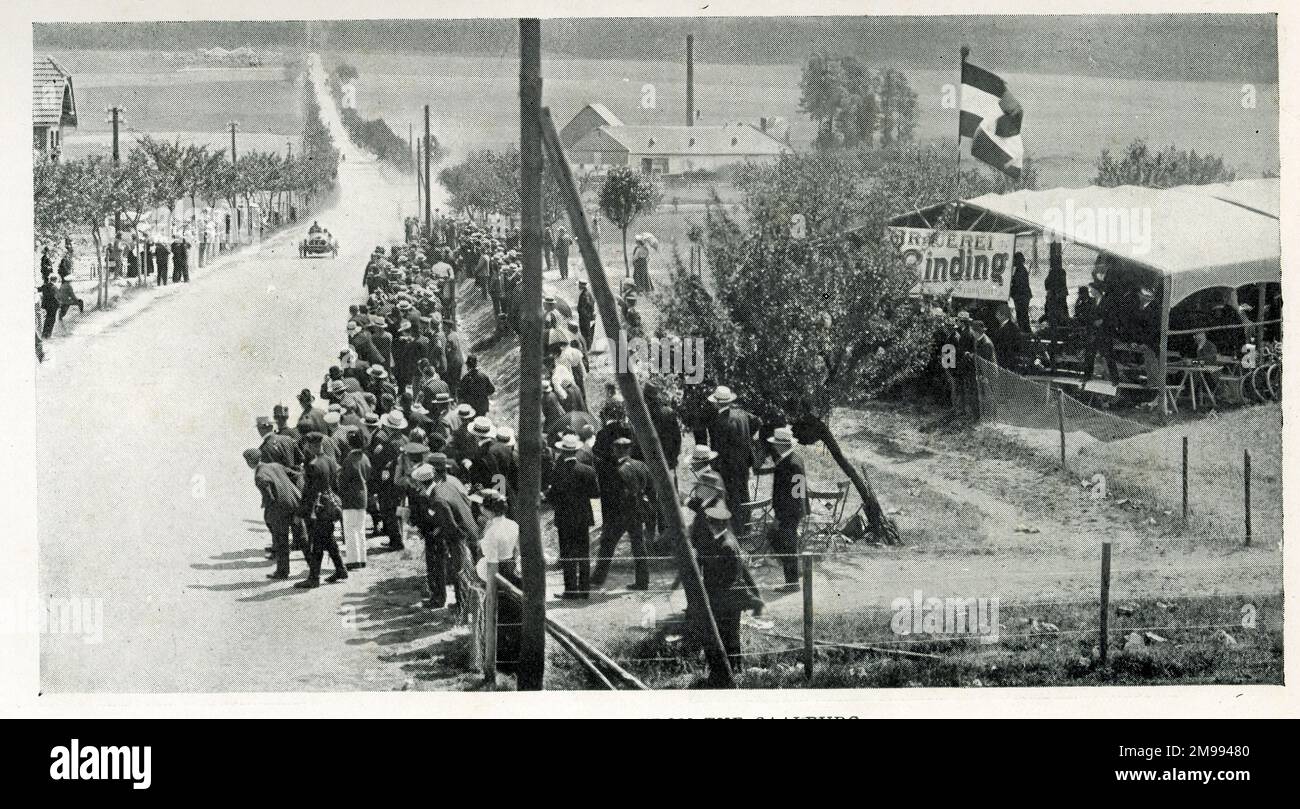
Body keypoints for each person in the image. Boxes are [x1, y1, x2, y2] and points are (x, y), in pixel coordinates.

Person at [591, 437, 652, 591]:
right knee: (639, 547)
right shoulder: (641, 465)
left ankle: (598, 578)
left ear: (615, 450)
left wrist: (611, 517)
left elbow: (617, 496)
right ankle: (643, 581)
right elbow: (651, 488)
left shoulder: (619, 470)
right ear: (630, 449)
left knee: (607, 544)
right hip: (637, 512)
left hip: (621, 514)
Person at [547, 433, 600, 599]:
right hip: (583, 516)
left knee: (568, 553)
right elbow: (596, 493)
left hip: (564, 518)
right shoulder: (588, 471)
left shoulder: (557, 471)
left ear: (563, 451)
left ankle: (570, 590)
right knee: (584, 553)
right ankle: (584, 589)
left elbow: (552, 497)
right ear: (576, 451)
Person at [476, 489, 521, 674]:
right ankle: (515, 656)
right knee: (513, 613)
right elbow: (517, 549)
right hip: (511, 567)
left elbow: (490, 558)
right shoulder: (513, 524)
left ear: (487, 510)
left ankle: (501, 661)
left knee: (496, 613)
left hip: (496, 570)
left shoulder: (492, 531)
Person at [704, 385, 760, 533]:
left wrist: (714, 467)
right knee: (744, 494)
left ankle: (736, 531)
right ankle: (746, 528)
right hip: (744, 462)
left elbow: (718, 449)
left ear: (716, 402)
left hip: (728, 467)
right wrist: (747, 439)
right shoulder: (742, 414)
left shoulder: (719, 422)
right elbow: (757, 421)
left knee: (732, 498)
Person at [242, 448, 303, 580]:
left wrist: (268, 515)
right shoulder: (275, 465)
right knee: (303, 539)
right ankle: (314, 569)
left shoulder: (259, 477)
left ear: (248, 462)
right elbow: (296, 474)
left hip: (280, 510)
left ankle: (283, 572)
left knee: (282, 541)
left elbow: (269, 498)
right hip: (295, 504)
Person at [295, 432, 347, 588]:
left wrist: (300, 513)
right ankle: (340, 569)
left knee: (317, 544)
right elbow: (335, 485)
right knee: (328, 539)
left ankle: (314, 578)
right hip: (331, 504)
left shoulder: (313, 465)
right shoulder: (330, 461)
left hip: (319, 508)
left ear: (310, 446)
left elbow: (309, 492)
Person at [766, 426, 807, 587]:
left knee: (785, 543)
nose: (774, 446)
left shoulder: (786, 464)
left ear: (782, 445)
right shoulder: (796, 459)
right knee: (784, 542)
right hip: (794, 510)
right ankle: (795, 573)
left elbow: (788, 495)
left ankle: (792, 582)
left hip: (787, 512)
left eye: (776, 443)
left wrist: (779, 516)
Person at [339, 430, 371, 570]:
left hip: (350, 497)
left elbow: (343, 480)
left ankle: (353, 560)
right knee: (360, 529)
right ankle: (362, 559)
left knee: (350, 530)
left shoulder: (349, 459)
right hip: (363, 495)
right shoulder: (365, 458)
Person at [990, 303, 1022, 371]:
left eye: (997, 313)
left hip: (1007, 361)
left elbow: (1010, 347)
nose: (996, 315)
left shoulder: (1012, 329)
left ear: (1003, 315)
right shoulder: (1000, 326)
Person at [1044, 242, 1069, 327]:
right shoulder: (1060, 271)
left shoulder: (1056, 271)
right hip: (1059, 294)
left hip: (1057, 295)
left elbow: (1047, 283)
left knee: (1059, 312)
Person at [1009, 251, 1032, 332]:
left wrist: (1011, 287)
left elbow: (1017, 285)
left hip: (1021, 296)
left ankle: (1025, 332)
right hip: (1021, 296)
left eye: (1014, 259)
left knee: (1022, 316)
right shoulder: (1019, 269)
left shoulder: (1021, 270)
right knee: (1022, 316)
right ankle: (1025, 331)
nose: (1013, 261)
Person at [577, 279, 596, 350]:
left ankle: (587, 348)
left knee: (586, 333)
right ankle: (587, 347)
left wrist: (585, 315)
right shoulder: (588, 293)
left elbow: (588, 305)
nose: (578, 286)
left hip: (585, 318)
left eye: (579, 285)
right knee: (588, 332)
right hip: (587, 317)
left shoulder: (584, 295)